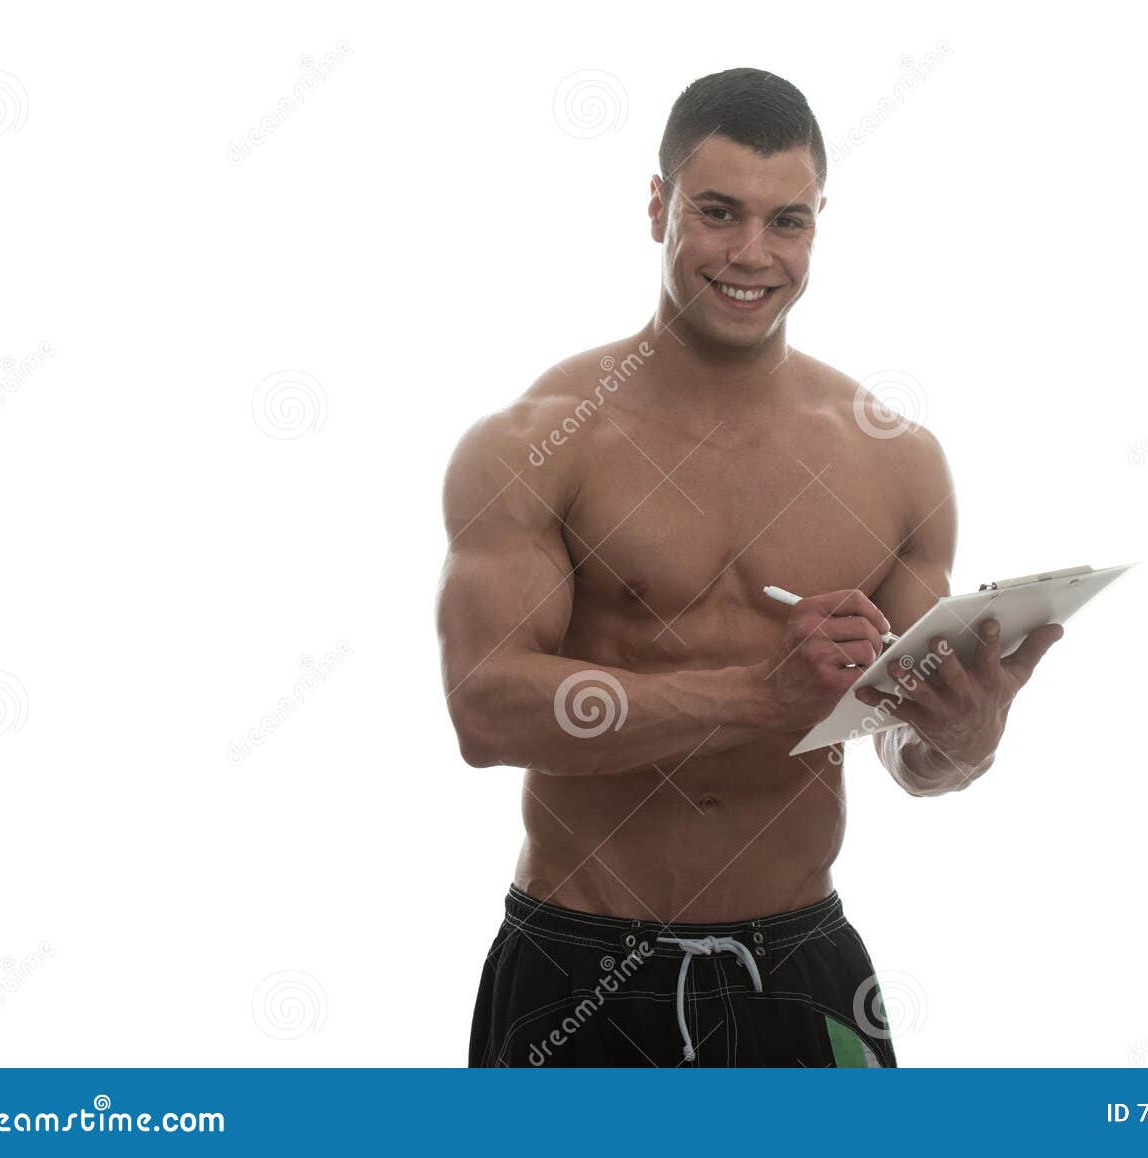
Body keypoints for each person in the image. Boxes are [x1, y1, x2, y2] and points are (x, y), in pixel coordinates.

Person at [439, 67, 1064, 1067]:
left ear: (819, 223)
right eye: (718, 213)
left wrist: (965, 738)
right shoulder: (539, 441)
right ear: (658, 208)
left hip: (802, 967)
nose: (751, 254)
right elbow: (485, 713)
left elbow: (908, 754)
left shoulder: (896, 461)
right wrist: (753, 697)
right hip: (579, 968)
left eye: (787, 223)